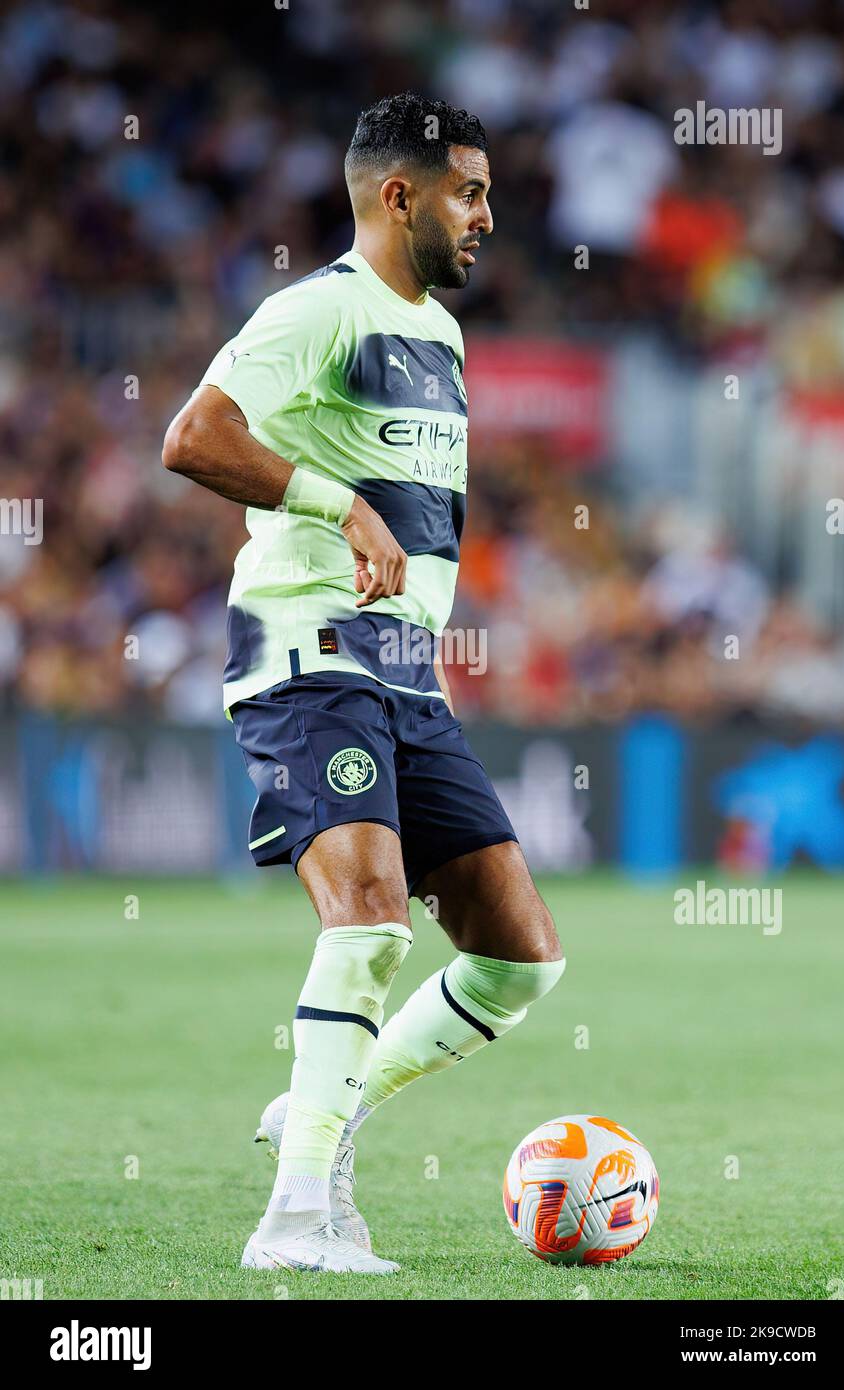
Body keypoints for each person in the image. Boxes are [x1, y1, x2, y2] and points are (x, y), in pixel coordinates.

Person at [163, 92, 565, 1275]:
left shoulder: (438, 335)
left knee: (517, 955)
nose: (486, 216)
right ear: (400, 195)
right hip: (308, 654)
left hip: (406, 679)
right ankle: (295, 1220)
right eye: (468, 192)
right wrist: (332, 501)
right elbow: (193, 435)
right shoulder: (318, 309)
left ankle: (321, 1110)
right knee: (372, 924)